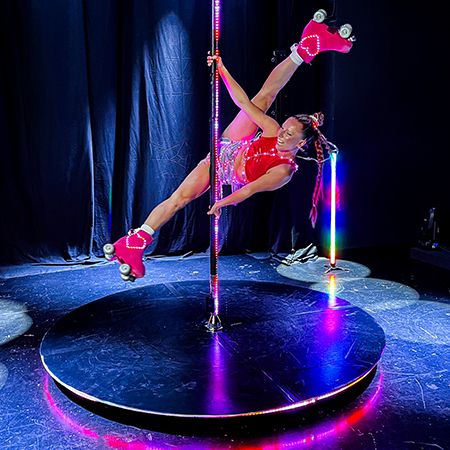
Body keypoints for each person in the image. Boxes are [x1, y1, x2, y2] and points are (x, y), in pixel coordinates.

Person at [103, 10, 354, 280]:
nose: (281, 134)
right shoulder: (273, 131)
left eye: (289, 134)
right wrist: (222, 69)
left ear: (301, 142)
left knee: (181, 198)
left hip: (223, 171)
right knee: (264, 98)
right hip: (230, 146)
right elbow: (243, 102)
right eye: (284, 128)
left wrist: (222, 202)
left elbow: (248, 191)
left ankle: (132, 244)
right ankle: (137, 240)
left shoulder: (284, 170)